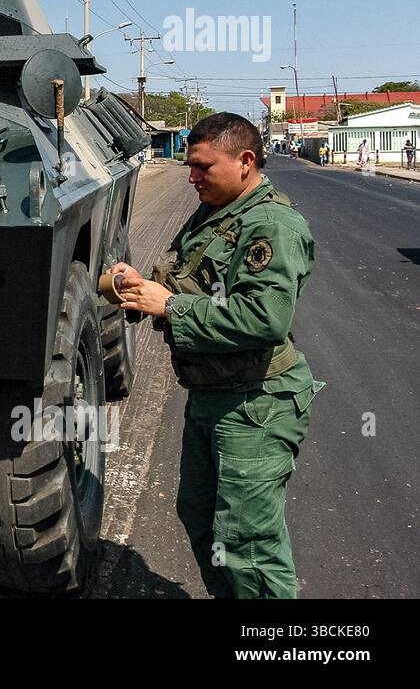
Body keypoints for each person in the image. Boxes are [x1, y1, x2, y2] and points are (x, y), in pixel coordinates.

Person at [108, 113, 323, 598]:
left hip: (256, 402)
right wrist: (144, 287)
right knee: (201, 517)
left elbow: (266, 319)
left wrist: (172, 306)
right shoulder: (214, 212)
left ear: (245, 161)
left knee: (247, 541)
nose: (192, 176)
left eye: (203, 166)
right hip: (211, 396)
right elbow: (190, 282)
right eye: (190, 165)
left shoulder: (272, 225)